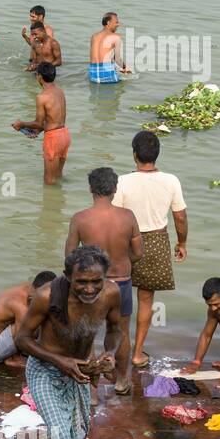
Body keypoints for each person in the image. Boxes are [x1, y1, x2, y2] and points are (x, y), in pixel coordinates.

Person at [14, 245, 123, 439]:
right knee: (61, 434)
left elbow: (116, 330)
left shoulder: (112, 294)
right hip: (45, 370)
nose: (89, 289)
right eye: (81, 282)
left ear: (105, 278)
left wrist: (110, 354)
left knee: (78, 437)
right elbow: (22, 339)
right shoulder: (47, 296)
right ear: (68, 277)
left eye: (95, 282)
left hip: (81, 369)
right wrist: (59, 360)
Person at [112, 131, 187, 368]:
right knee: (146, 301)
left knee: (121, 298)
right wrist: (182, 242)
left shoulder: (122, 181)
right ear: (156, 155)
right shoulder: (171, 180)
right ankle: (137, 353)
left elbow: (115, 217)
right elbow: (180, 217)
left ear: (134, 154)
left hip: (126, 242)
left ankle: (118, 351)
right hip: (156, 242)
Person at [66, 167, 143, 391]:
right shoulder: (127, 217)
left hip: (91, 285)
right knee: (121, 331)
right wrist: (121, 261)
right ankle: (121, 381)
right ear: (115, 189)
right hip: (121, 282)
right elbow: (138, 253)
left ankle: (91, 390)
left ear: (91, 188)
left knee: (86, 333)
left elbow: (70, 257)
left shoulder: (80, 219)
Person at [0, 272, 58, 366]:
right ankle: (13, 358)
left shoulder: (27, 287)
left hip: (4, 333)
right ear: (36, 289)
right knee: (33, 325)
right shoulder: (20, 305)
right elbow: (24, 337)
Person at [12, 63, 69, 184]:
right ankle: (60, 200)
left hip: (53, 138)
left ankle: (49, 202)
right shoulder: (60, 92)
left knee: (48, 180)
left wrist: (21, 124)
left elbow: (38, 123)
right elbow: (55, 120)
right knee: (58, 176)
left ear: (39, 77)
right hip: (64, 134)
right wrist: (39, 130)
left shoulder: (41, 97)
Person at [88, 12, 131, 84]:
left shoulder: (94, 36)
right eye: (116, 22)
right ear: (108, 22)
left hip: (93, 75)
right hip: (107, 76)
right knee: (126, 85)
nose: (118, 25)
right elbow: (117, 59)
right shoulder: (116, 37)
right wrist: (126, 69)